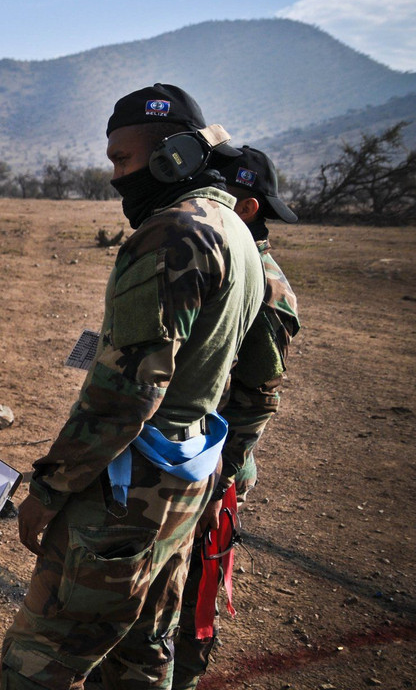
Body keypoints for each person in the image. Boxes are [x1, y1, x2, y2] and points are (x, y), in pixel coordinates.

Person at [0, 83, 265, 690]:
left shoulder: (175, 232)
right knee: (142, 654)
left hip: (127, 492)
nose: (117, 177)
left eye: (123, 160)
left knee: (38, 661)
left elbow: (125, 396)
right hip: (184, 476)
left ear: (173, 155)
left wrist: (49, 488)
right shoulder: (233, 228)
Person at [171, 145, 301, 689]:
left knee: (196, 583)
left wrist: (223, 472)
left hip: (213, 464)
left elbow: (259, 395)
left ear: (245, 208)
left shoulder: (266, 287)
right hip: (183, 454)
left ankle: (182, 677)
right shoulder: (218, 259)